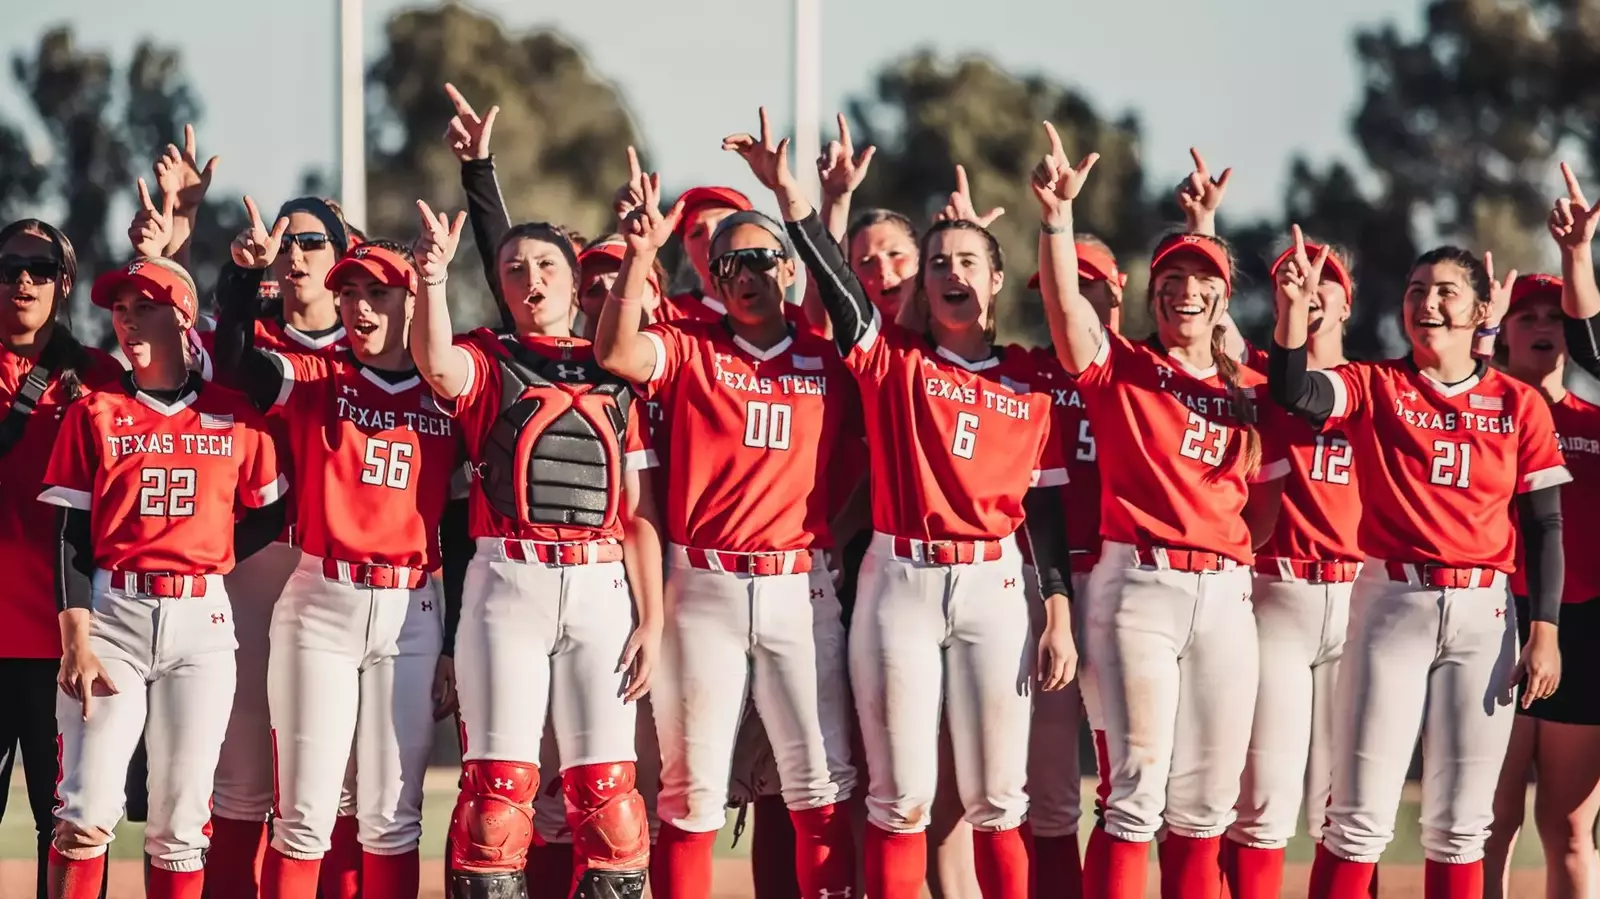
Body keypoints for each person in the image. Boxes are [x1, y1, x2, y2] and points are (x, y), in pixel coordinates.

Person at [734, 107, 1074, 899]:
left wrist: (1054, 607)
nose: (953, 273)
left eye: (968, 261)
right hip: (901, 581)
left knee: (998, 799)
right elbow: (841, 293)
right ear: (924, 284)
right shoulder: (896, 367)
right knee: (900, 795)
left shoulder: (1030, 380)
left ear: (995, 279)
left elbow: (1045, 509)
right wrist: (795, 201)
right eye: (939, 263)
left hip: (994, 582)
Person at [1266, 230, 1566, 899]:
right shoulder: (1377, 384)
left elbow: (1545, 525)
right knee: (1358, 818)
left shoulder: (1519, 404)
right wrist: (1291, 314)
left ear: (1481, 311)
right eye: (1415, 291)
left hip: (1485, 612)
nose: (1427, 302)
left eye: (1445, 291)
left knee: (1462, 825)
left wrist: (1544, 627)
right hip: (1391, 601)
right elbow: (1294, 392)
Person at [1032, 131, 1291, 899]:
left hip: (1226, 594)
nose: (1186, 289)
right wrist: (1056, 222)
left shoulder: (1246, 385)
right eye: (1171, 277)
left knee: (1208, 801)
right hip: (1138, 585)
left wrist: (1205, 231)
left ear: (1222, 297)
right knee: (1138, 790)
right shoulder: (1124, 366)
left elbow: (1266, 508)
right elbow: (1065, 310)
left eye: (1202, 279)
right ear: (1152, 293)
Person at [593, 161, 860, 899]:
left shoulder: (825, 357)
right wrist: (641, 254)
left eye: (761, 260)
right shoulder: (691, 346)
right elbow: (615, 352)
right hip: (703, 583)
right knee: (691, 790)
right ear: (713, 277)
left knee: (819, 781)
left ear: (789, 272)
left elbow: (860, 468)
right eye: (729, 263)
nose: (746, 274)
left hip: (797, 586)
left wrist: (819, 208)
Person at [408, 184, 663, 899]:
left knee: (611, 802)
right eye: (514, 269)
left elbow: (638, 513)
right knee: (497, 799)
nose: (531, 280)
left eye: (546, 266)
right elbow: (435, 364)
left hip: (600, 586)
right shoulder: (488, 358)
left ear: (577, 280)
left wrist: (655, 618)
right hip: (508, 580)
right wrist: (431, 281)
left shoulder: (617, 373)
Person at [208, 229, 466, 899]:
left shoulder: (451, 391)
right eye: (348, 291)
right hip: (322, 601)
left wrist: (456, 641)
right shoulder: (322, 376)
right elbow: (236, 363)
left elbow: (463, 527)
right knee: (304, 819)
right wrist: (241, 282)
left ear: (412, 298)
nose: (359, 306)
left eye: (376, 291)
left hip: (413, 610)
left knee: (392, 820)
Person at [40, 256, 285, 899]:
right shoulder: (94, 411)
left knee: (181, 822)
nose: (127, 320)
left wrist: (208, 549)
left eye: (143, 306)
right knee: (86, 810)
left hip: (201, 622)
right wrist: (76, 638)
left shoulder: (236, 417)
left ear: (182, 315)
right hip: (112, 615)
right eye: (119, 310)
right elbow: (69, 537)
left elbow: (272, 512)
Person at [201, 192, 360, 899]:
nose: (294, 255)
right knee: (239, 783)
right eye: (285, 243)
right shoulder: (251, 342)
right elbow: (228, 362)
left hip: (351, 576)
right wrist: (239, 280)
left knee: (348, 788)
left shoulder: (377, 345)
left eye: (312, 243)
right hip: (256, 566)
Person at [1484, 165, 1600, 899]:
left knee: (1569, 828)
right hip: (1492, 618)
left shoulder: (1594, 426)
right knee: (1486, 819)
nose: (1541, 326)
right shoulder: (1478, 416)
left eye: (1552, 317)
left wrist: (1576, 257)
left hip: (1585, 631)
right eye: (1525, 317)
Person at [0, 219, 123, 899]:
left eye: (40, 268)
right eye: (10, 266)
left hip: (69, 648)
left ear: (63, 282)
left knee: (71, 834)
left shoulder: (100, 378)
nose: (22, 280)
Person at [1020, 234, 1125, 899]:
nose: (1063, 299)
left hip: (1123, 587)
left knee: (1133, 786)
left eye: (1081, 284)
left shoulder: (1137, 369)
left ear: (1114, 294)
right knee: (1049, 791)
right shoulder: (1026, 370)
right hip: (1044, 586)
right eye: (1054, 288)